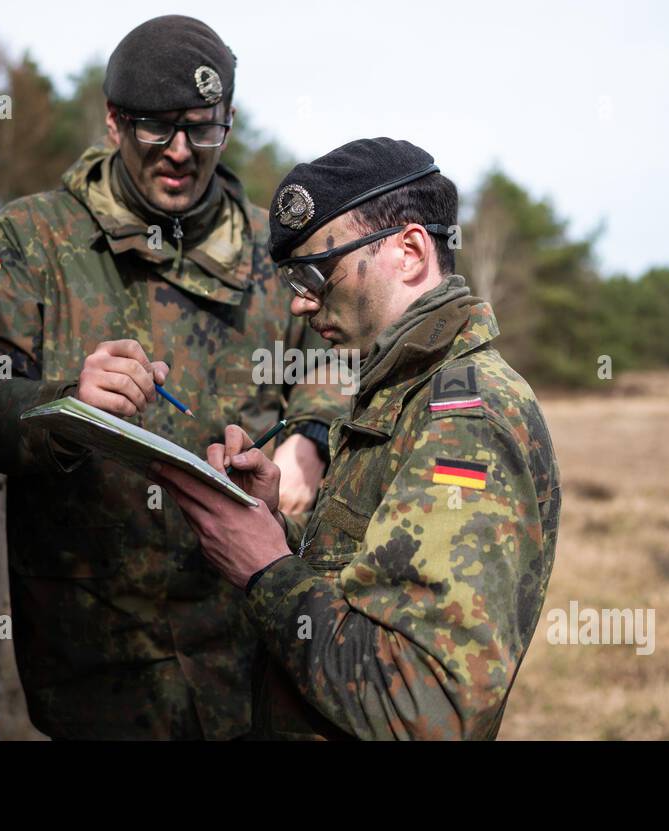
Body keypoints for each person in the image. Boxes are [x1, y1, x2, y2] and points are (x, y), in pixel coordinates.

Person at [0, 15, 343, 740]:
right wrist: (65, 401)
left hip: (252, 657)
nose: (182, 153)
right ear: (113, 120)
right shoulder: (33, 241)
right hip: (97, 668)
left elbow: (336, 356)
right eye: (157, 129)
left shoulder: (272, 259)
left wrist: (308, 437)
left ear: (228, 121)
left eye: (203, 129)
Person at [153, 138, 561, 740]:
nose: (299, 302)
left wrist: (265, 569)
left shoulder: (464, 422)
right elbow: (368, 588)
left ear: (410, 250)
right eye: (293, 277)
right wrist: (270, 524)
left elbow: (427, 706)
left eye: (318, 272)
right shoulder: (402, 389)